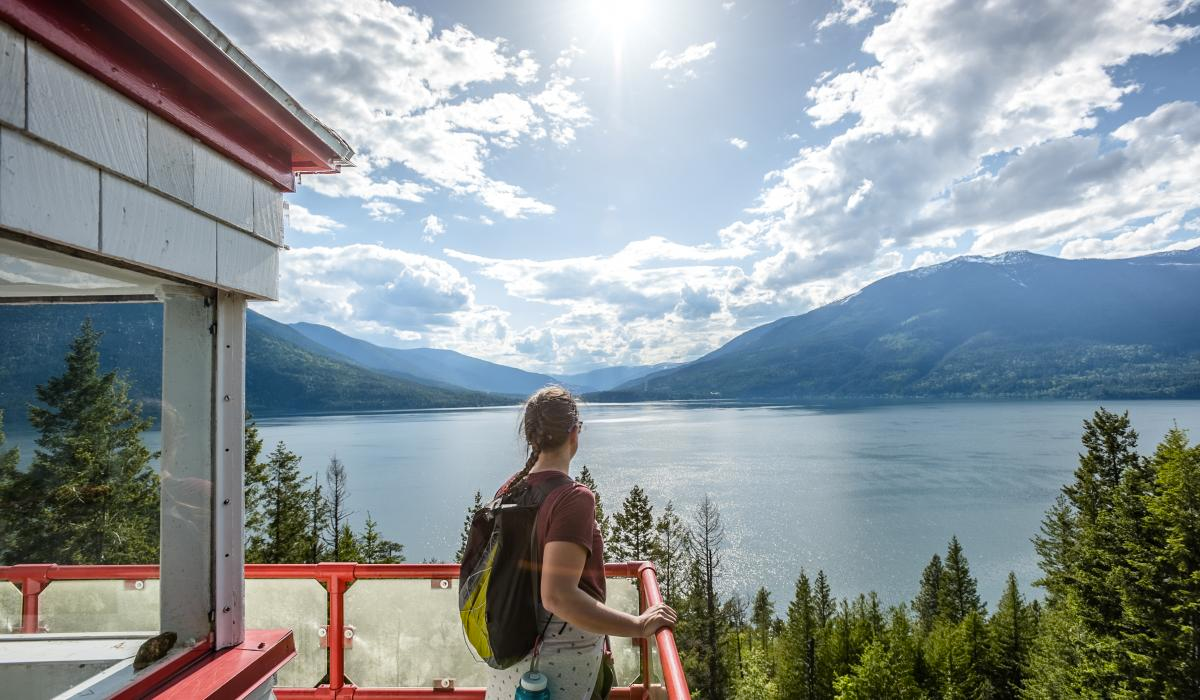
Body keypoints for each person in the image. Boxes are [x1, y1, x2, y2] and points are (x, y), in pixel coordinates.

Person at [483, 386, 677, 700]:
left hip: (511, 658)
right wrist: (639, 626)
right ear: (574, 432)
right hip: (557, 668)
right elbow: (558, 596)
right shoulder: (572, 498)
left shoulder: (510, 490)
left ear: (531, 436)